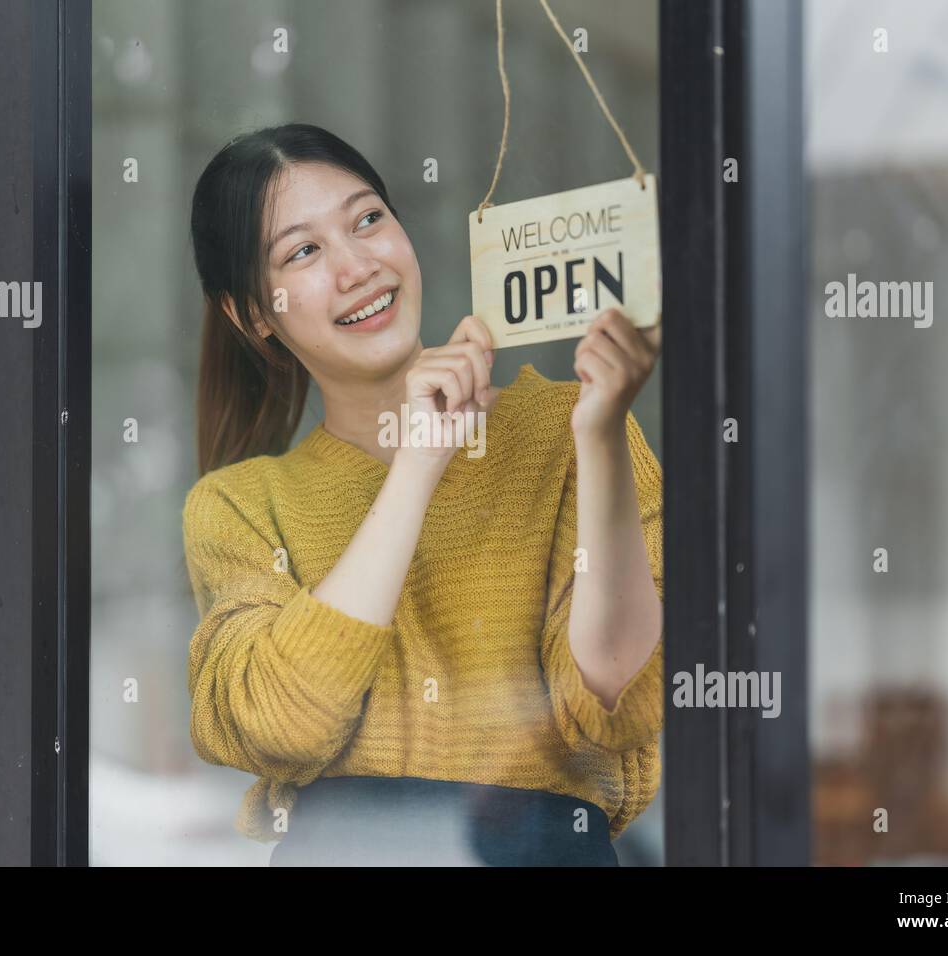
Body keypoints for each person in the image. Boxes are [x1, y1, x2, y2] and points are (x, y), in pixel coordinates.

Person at [183, 122, 664, 866]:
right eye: (304, 251)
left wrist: (600, 433)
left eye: (368, 219)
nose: (357, 267)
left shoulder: (570, 432)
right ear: (253, 314)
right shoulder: (240, 505)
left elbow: (614, 696)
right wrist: (417, 466)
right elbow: (278, 724)